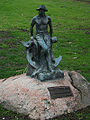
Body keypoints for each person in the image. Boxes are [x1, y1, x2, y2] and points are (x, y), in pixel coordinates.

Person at [30, 5, 54, 72]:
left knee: (48, 49)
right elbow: (31, 27)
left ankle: (49, 66)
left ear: (44, 11)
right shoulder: (35, 18)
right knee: (45, 48)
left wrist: (51, 37)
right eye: (39, 10)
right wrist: (31, 36)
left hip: (46, 34)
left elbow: (51, 28)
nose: (40, 11)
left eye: (42, 10)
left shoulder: (48, 18)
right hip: (39, 35)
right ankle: (41, 64)